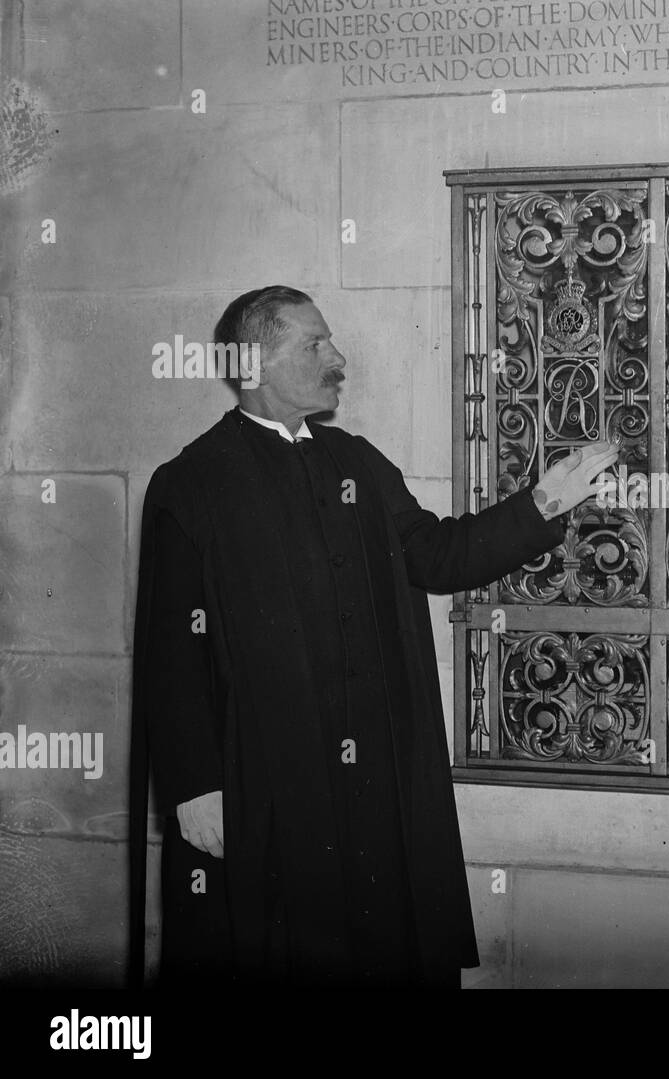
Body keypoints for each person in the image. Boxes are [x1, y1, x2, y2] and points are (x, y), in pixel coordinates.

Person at [127, 285, 617, 988]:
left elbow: (439, 554)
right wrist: (195, 785)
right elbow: (173, 653)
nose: (339, 357)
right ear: (251, 363)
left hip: (372, 779)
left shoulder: (355, 461)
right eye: (314, 345)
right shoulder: (191, 484)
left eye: (331, 342)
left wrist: (542, 503)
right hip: (265, 782)